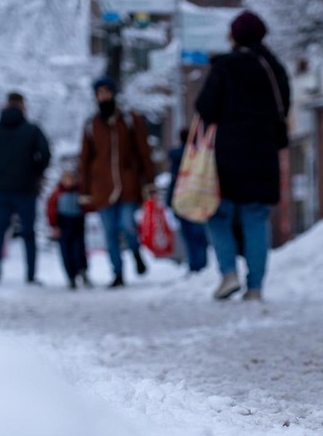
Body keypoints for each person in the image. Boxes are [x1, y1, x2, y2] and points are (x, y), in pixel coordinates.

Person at [194, 10, 290, 302]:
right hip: (263, 154)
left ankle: (228, 274)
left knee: (219, 214)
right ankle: (256, 286)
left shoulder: (225, 67)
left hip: (227, 155)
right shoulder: (274, 68)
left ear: (235, 36)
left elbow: (205, 108)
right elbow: (283, 108)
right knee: (256, 217)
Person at [77, 77, 155, 288]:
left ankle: (135, 251)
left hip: (128, 184)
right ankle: (118, 272)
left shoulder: (130, 121)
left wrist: (149, 181)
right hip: (102, 188)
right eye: (100, 94)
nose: (104, 97)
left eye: (107, 92)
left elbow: (143, 151)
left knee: (127, 224)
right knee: (109, 232)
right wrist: (84, 190)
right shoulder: (91, 125)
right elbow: (84, 159)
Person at [0, 92, 51, 285]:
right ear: (22, 106)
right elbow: (45, 153)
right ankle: (30, 274)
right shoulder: (32, 130)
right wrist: (35, 172)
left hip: (0, 189)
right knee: (29, 233)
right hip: (26, 189)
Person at [166, 126, 209, 274]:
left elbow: (173, 181)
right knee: (198, 235)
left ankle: (194, 265)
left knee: (189, 235)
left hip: (181, 200)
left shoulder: (176, 157)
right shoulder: (200, 156)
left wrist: (170, 200)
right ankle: (201, 265)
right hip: (196, 199)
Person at [46, 171, 90, 290]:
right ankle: (71, 277)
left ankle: (82, 271)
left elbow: (87, 207)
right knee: (66, 253)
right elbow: (50, 210)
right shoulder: (57, 194)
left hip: (77, 225)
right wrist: (53, 225)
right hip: (63, 225)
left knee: (79, 251)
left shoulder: (79, 192)